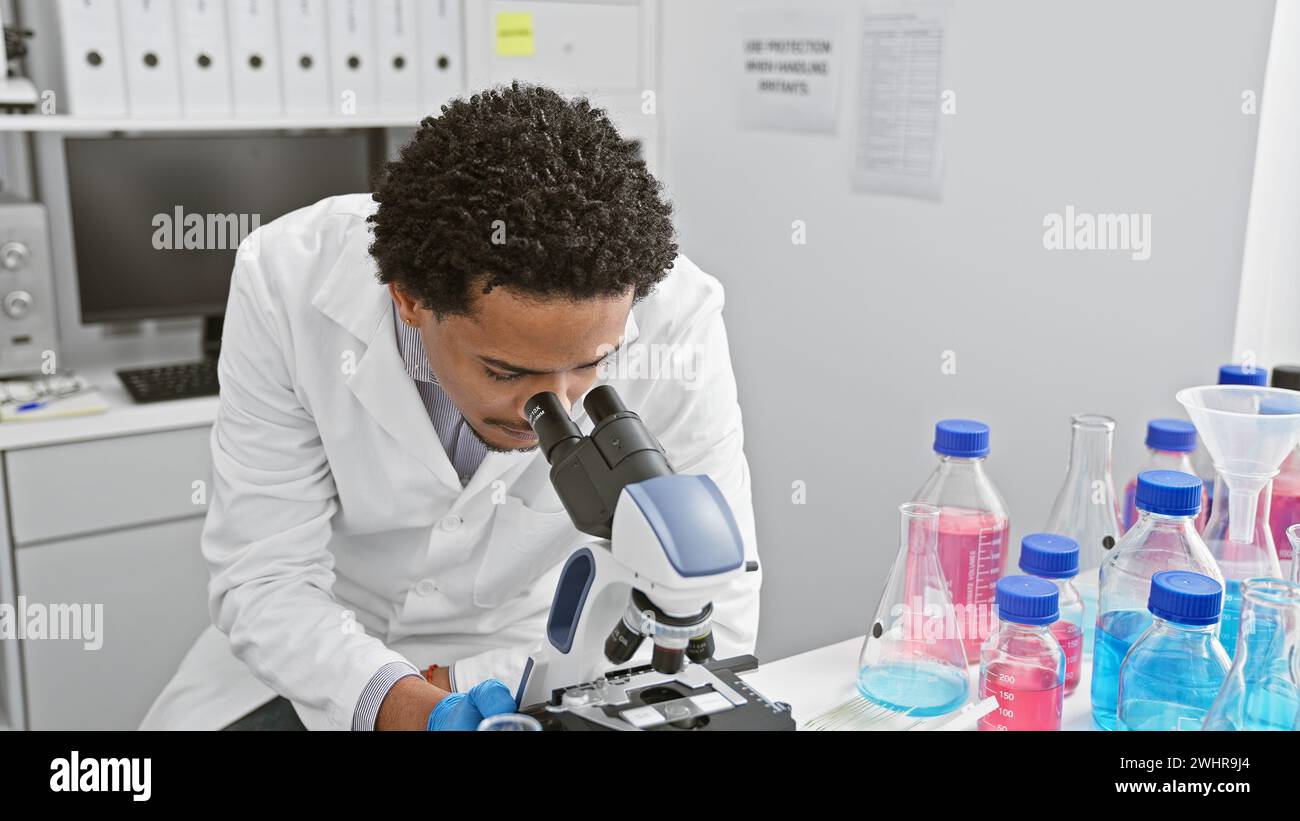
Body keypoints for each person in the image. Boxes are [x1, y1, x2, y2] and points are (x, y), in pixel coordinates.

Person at [142, 82, 762, 730]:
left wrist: (483, 683)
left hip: (534, 653)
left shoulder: (678, 318)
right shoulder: (286, 281)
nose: (548, 406)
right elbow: (264, 572)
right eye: (505, 370)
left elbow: (716, 589)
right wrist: (399, 702)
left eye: (590, 365)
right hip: (320, 650)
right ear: (409, 298)